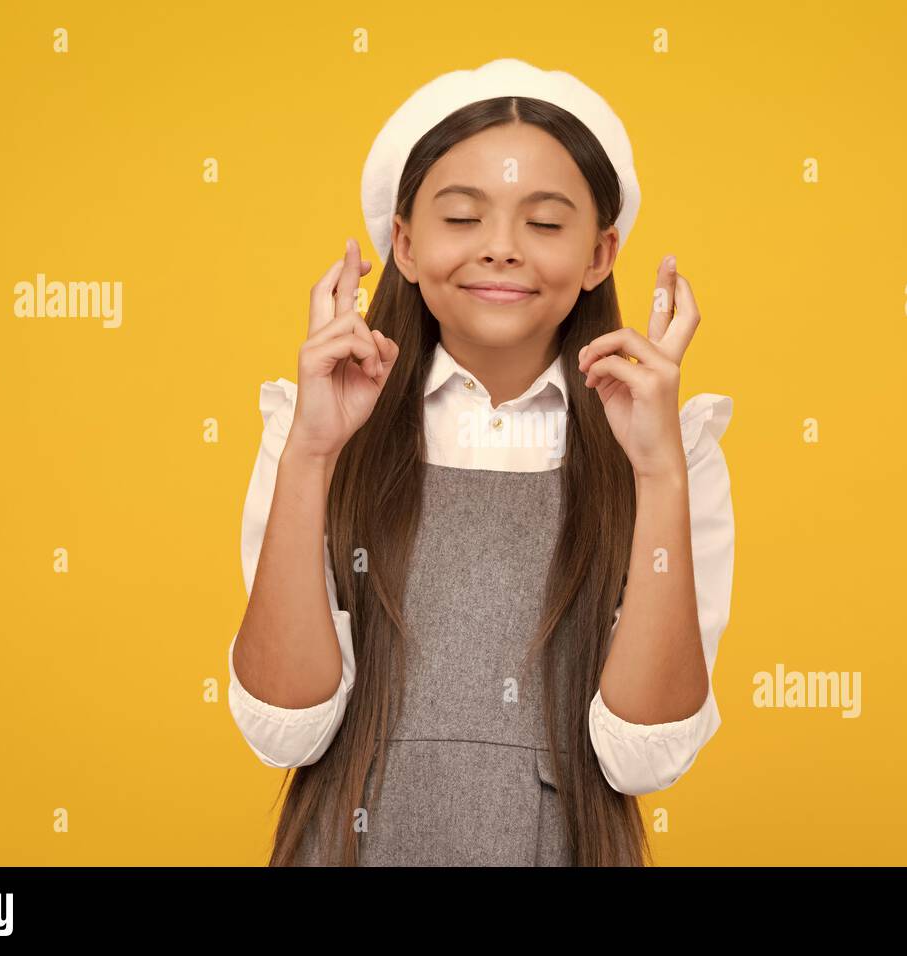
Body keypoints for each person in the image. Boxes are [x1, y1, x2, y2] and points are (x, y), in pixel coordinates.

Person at [227, 58, 735, 866]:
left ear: (601, 253)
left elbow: (646, 752)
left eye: (544, 223)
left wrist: (659, 472)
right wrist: (314, 453)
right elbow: (284, 723)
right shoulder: (310, 426)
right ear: (404, 243)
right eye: (462, 217)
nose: (501, 250)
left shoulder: (673, 448)